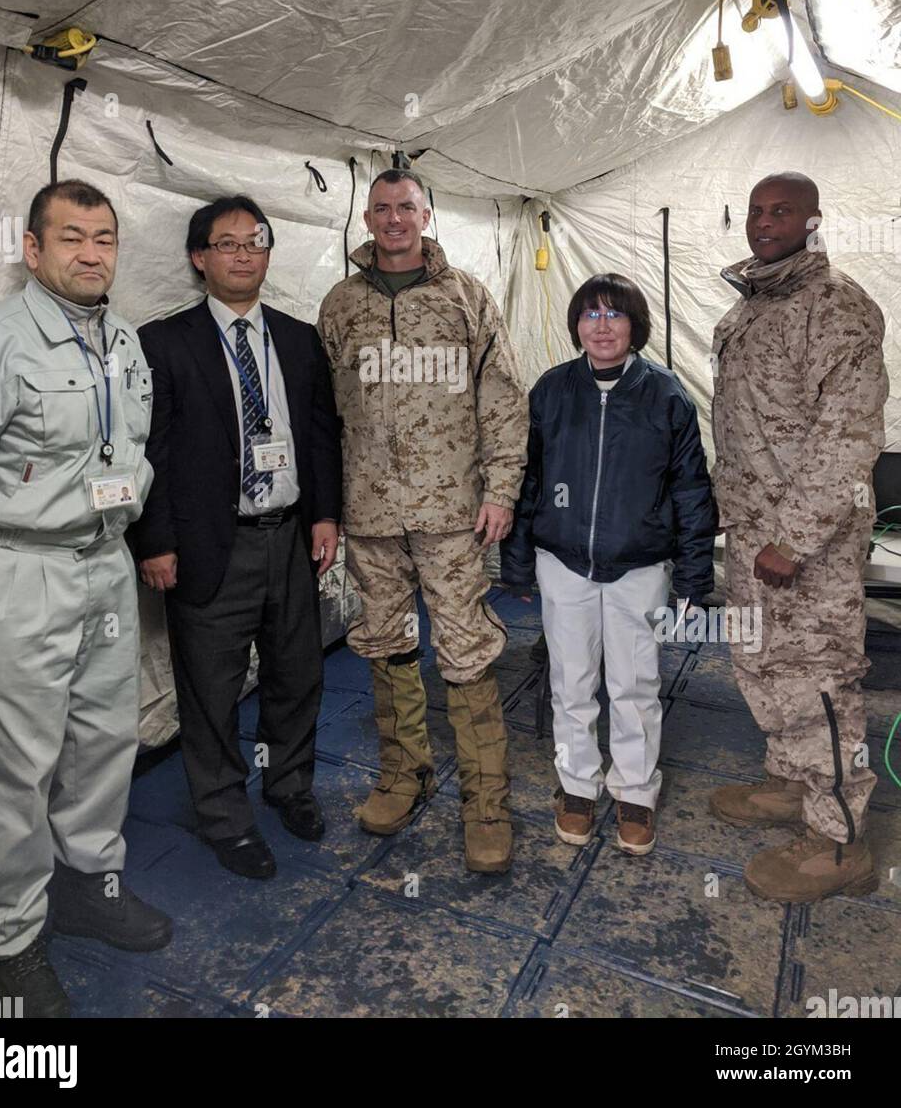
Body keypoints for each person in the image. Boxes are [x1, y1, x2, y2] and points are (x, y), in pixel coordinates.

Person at [0, 179, 170, 1019]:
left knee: (105, 737)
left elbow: (131, 446)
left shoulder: (123, 342)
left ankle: (85, 884)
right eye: (72, 237)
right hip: (20, 570)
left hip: (103, 559)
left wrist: (128, 505)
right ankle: (3, 932)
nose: (91, 253)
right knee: (16, 762)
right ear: (32, 250)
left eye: (104, 238)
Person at [318, 168, 528, 874]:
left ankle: (486, 804)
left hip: (450, 514)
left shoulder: (465, 297)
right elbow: (324, 412)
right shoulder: (341, 305)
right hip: (370, 512)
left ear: (427, 214)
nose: (393, 219)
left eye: (405, 207)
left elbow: (502, 398)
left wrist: (500, 490)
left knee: (466, 650)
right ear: (368, 218)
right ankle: (403, 775)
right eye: (380, 209)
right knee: (383, 643)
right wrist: (329, 506)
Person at [132, 197, 341, 881]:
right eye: (227, 244)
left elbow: (318, 435)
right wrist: (155, 542)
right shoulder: (164, 343)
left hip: (288, 538)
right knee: (211, 693)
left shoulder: (299, 337)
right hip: (207, 546)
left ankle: (288, 788)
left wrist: (324, 516)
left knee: (296, 675)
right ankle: (224, 817)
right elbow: (150, 451)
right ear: (200, 259)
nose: (244, 254)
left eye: (255, 241)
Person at [709, 172, 888, 901]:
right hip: (753, 534)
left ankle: (838, 838)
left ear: (813, 221)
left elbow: (845, 437)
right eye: (755, 210)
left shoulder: (835, 307)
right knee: (764, 664)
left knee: (817, 680)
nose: (763, 222)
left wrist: (795, 538)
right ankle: (790, 781)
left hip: (803, 546)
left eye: (781, 210)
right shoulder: (750, 308)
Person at [501, 274, 716, 855]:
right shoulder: (551, 391)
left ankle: (635, 793)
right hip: (563, 562)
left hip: (639, 567)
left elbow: (692, 490)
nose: (602, 325)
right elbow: (528, 480)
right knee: (571, 683)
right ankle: (576, 786)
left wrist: (696, 574)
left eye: (614, 315)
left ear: (634, 326)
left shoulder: (667, 396)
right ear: (576, 325)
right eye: (590, 314)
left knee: (634, 684)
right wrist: (517, 562)